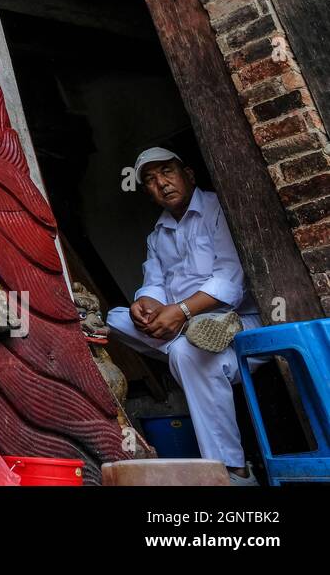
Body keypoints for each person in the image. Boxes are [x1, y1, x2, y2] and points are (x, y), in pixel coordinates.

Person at [107, 147, 262, 485]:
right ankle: (187, 332)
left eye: (166, 172)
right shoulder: (157, 234)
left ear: (188, 174)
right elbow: (154, 283)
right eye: (149, 180)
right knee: (115, 318)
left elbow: (230, 280)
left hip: (237, 323)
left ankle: (234, 470)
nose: (160, 183)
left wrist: (182, 310)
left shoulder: (217, 209)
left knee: (185, 353)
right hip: (181, 323)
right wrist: (145, 306)